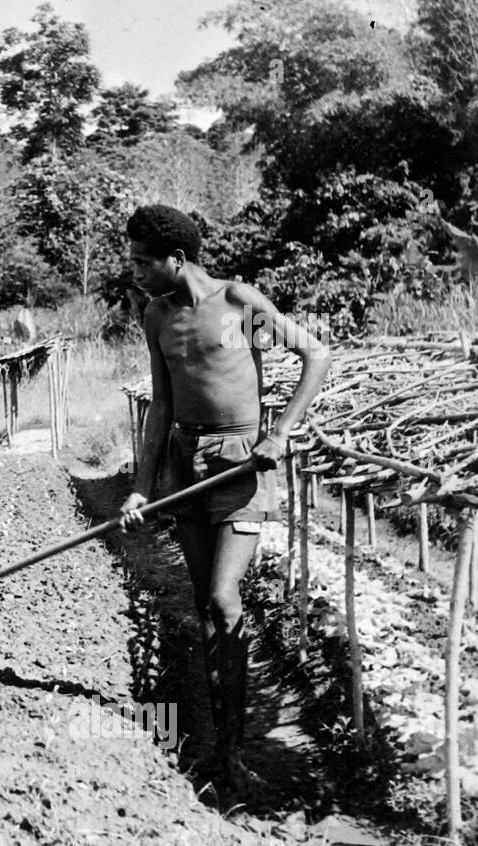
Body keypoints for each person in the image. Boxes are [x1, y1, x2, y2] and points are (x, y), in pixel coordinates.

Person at [118, 204, 331, 798]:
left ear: (176, 259)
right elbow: (161, 407)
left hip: (241, 462)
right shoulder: (157, 315)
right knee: (203, 603)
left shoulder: (238, 304)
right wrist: (141, 484)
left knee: (223, 595)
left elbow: (315, 353)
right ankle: (216, 747)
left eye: (142, 260)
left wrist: (280, 431)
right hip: (187, 463)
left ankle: (235, 748)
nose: (135, 270)